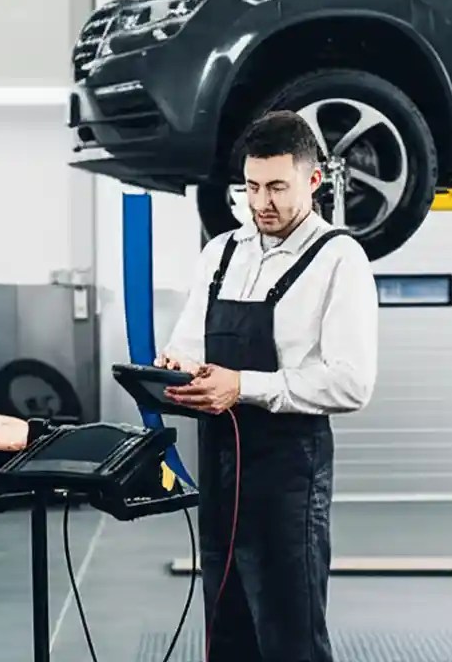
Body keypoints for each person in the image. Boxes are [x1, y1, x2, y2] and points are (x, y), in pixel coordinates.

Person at [156, 110, 379, 661]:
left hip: (288, 481)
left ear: (313, 180)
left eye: (277, 187)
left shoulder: (339, 259)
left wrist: (243, 387)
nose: (262, 203)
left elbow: (352, 384)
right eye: (252, 187)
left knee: (290, 639)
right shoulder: (222, 252)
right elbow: (187, 345)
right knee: (225, 634)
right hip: (221, 471)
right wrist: (172, 369)